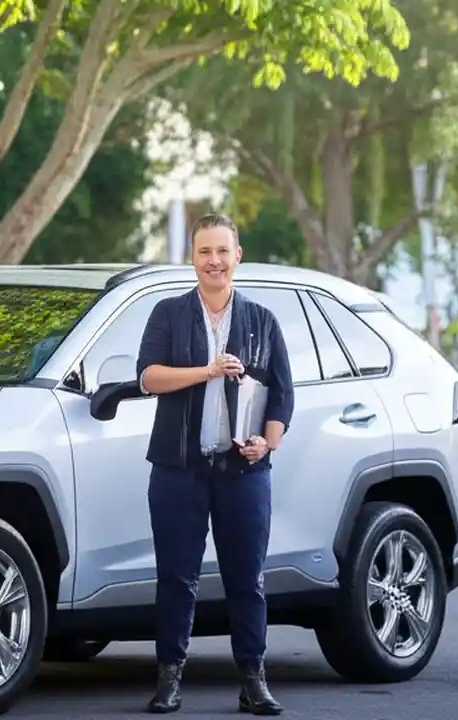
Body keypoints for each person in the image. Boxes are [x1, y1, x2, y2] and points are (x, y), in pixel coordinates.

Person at [135, 212, 294, 715]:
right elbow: (148, 379)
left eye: (222, 251)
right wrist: (207, 370)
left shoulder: (263, 321)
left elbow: (282, 397)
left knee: (247, 580)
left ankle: (254, 680)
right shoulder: (168, 313)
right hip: (178, 469)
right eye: (205, 252)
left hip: (243, 473)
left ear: (237, 256)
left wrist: (266, 445)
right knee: (176, 579)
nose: (214, 261)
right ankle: (169, 680)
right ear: (193, 257)